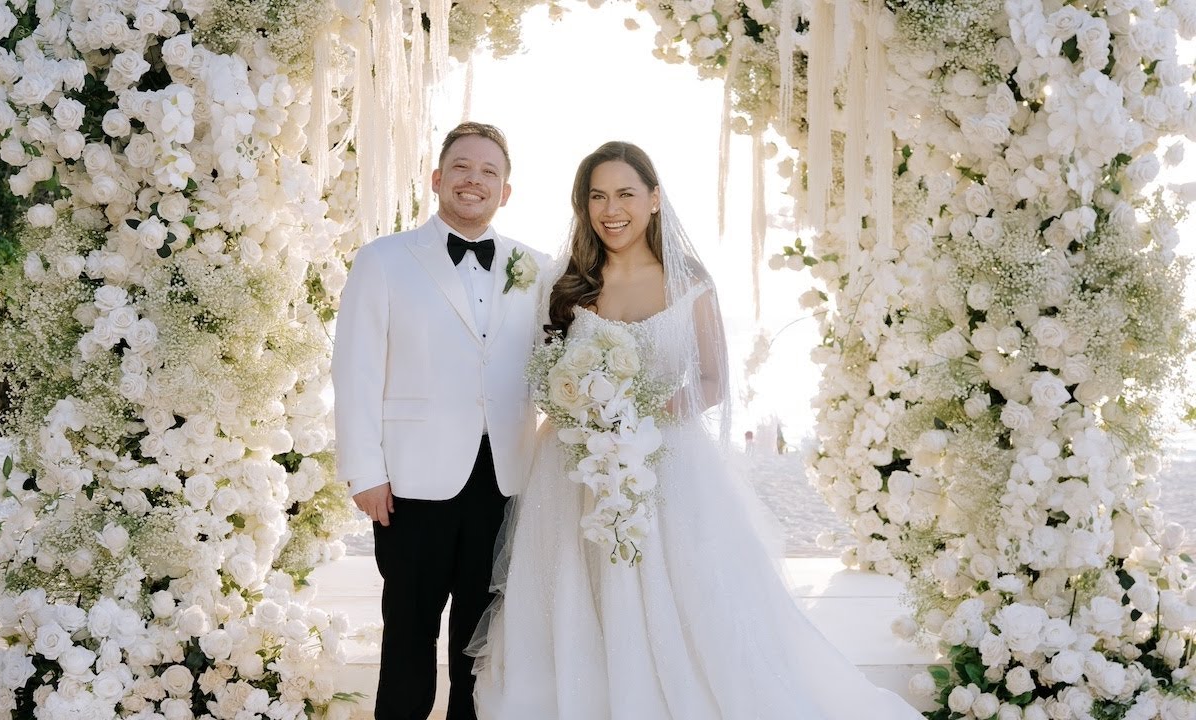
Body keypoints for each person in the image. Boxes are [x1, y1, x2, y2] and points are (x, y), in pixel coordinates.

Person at [469, 141, 925, 719]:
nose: (613, 209)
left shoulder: (689, 282)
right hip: (573, 469)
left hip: (665, 464)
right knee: (577, 591)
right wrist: (587, 412)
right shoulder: (566, 285)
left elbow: (712, 381)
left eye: (626, 194)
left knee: (681, 598)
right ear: (584, 206)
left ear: (654, 199)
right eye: (598, 196)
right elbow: (542, 377)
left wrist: (643, 420)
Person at [333, 122, 548, 720]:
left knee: (479, 647)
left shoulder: (538, 268)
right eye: (462, 167)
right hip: (409, 485)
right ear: (437, 179)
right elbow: (354, 373)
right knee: (408, 635)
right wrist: (363, 472)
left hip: (505, 480)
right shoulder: (383, 261)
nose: (473, 180)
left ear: (506, 191)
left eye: (489, 172)